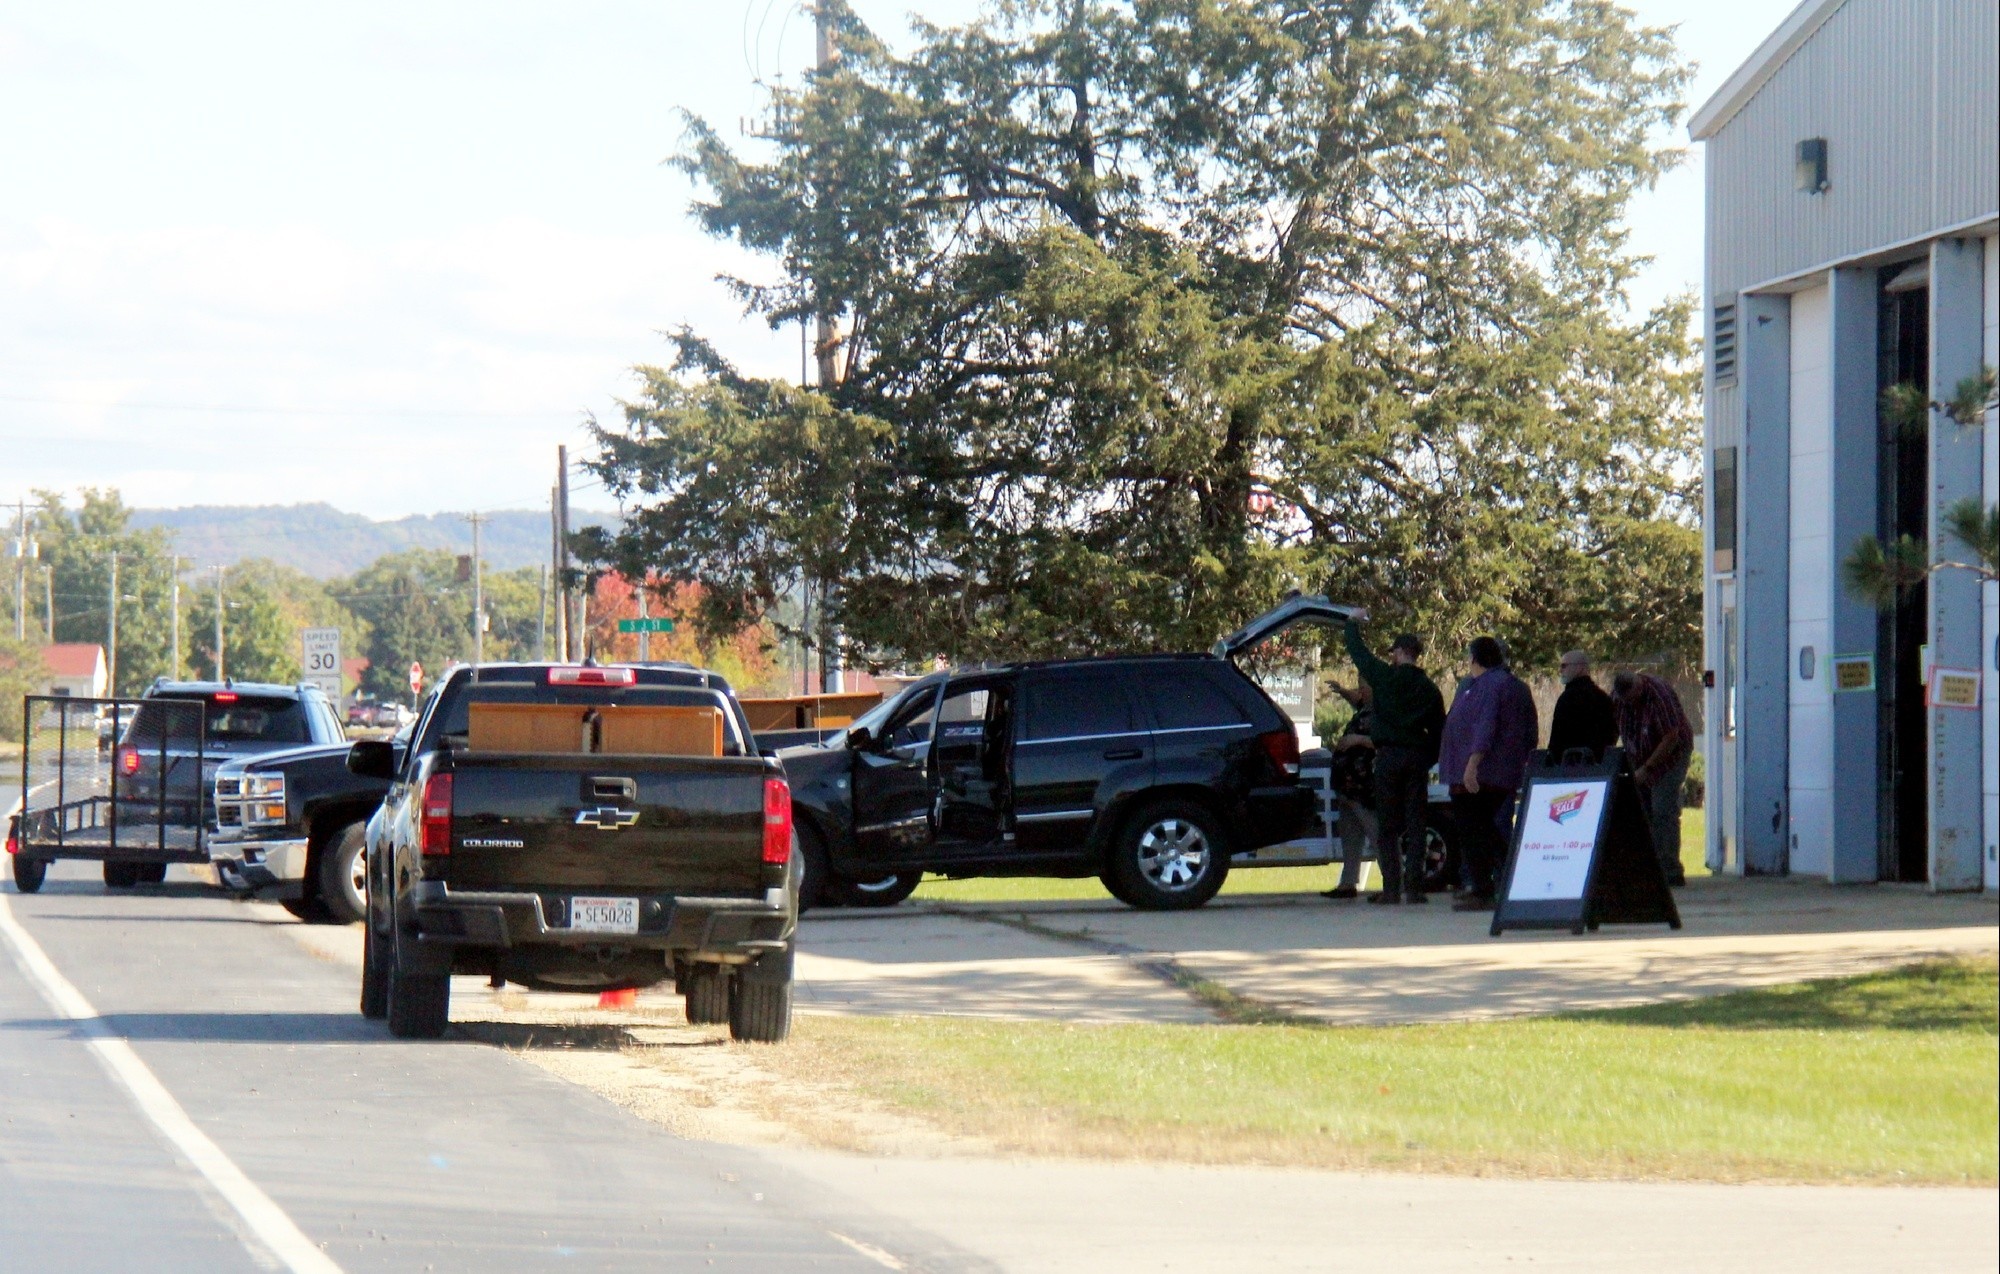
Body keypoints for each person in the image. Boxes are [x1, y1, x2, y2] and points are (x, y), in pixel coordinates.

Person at [1341, 613, 1446, 904]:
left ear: (1400, 653)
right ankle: (1414, 887)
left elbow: (1360, 654)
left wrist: (1352, 624)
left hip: (1387, 757)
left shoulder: (1385, 679)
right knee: (1416, 823)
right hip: (1416, 758)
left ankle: (1391, 888)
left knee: (1387, 824)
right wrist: (1428, 759)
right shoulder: (1429, 690)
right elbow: (1440, 729)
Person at [1438, 636, 1537, 911]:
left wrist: (1472, 765)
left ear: (1474, 657)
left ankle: (1485, 888)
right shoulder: (1500, 685)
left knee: (1475, 830)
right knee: (1484, 828)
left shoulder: (1490, 685)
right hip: (1491, 771)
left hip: (1480, 774)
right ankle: (1505, 881)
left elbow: (1486, 725)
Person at [1613, 670, 1695, 886]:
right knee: (1641, 811)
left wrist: (1647, 769)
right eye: (1624, 701)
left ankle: (1670, 871)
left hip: (1671, 755)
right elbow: (1614, 728)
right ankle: (1647, 868)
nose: (1628, 704)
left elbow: (1671, 737)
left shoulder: (1659, 695)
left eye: (1631, 699)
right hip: (1639, 754)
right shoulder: (1617, 699)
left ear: (1638, 686)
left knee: (1663, 809)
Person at [1319, 682, 1376, 901]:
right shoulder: (1365, 708)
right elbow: (1358, 701)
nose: (1361, 689)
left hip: (1363, 785)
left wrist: (1357, 740)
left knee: (1375, 832)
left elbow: (1387, 741)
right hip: (1347, 786)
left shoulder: (1384, 710)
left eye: (1365, 684)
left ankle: (1394, 881)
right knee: (1350, 837)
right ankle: (1348, 883)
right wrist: (1342, 691)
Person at [1546, 650, 1618, 763]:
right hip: (1598, 768)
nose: (1560, 670)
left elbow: (1557, 739)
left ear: (1580, 667)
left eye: (1564, 666)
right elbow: (1611, 736)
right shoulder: (1603, 698)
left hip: (1568, 766)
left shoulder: (1567, 699)